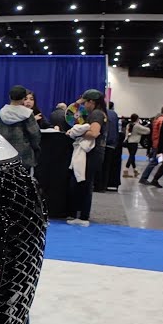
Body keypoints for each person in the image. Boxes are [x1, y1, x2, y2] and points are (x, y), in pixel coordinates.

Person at [64, 89, 109, 226]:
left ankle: (83, 216)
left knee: (85, 184)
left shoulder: (96, 114)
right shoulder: (101, 113)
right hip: (96, 153)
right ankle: (82, 215)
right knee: (85, 183)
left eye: (85, 103)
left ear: (92, 102)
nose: (84, 106)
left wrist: (75, 133)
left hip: (92, 153)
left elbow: (94, 133)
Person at [0, 85, 41, 170]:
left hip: (5, 155)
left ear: (9, 97)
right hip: (24, 156)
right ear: (23, 98)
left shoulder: (0, 113)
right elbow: (35, 134)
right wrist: (36, 149)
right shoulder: (27, 114)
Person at [140, 105, 163, 185]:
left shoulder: (157, 119)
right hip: (159, 145)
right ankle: (145, 178)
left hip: (156, 143)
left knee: (158, 162)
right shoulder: (162, 120)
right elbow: (162, 133)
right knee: (155, 162)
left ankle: (153, 179)